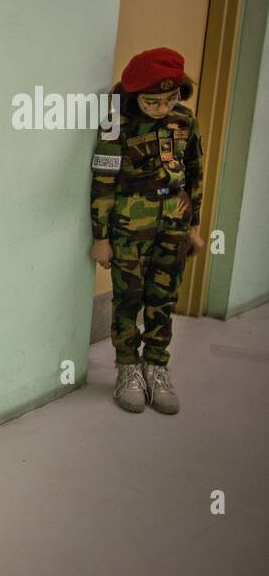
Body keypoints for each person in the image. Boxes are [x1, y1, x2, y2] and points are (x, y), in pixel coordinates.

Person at [89, 47, 205, 414]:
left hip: (174, 223)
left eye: (169, 99)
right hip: (128, 227)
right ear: (134, 94)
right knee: (128, 299)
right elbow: (103, 180)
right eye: (152, 101)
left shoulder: (185, 121)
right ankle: (127, 368)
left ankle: (156, 366)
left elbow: (195, 174)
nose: (161, 108)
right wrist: (101, 237)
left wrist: (196, 227)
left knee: (163, 297)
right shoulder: (116, 122)